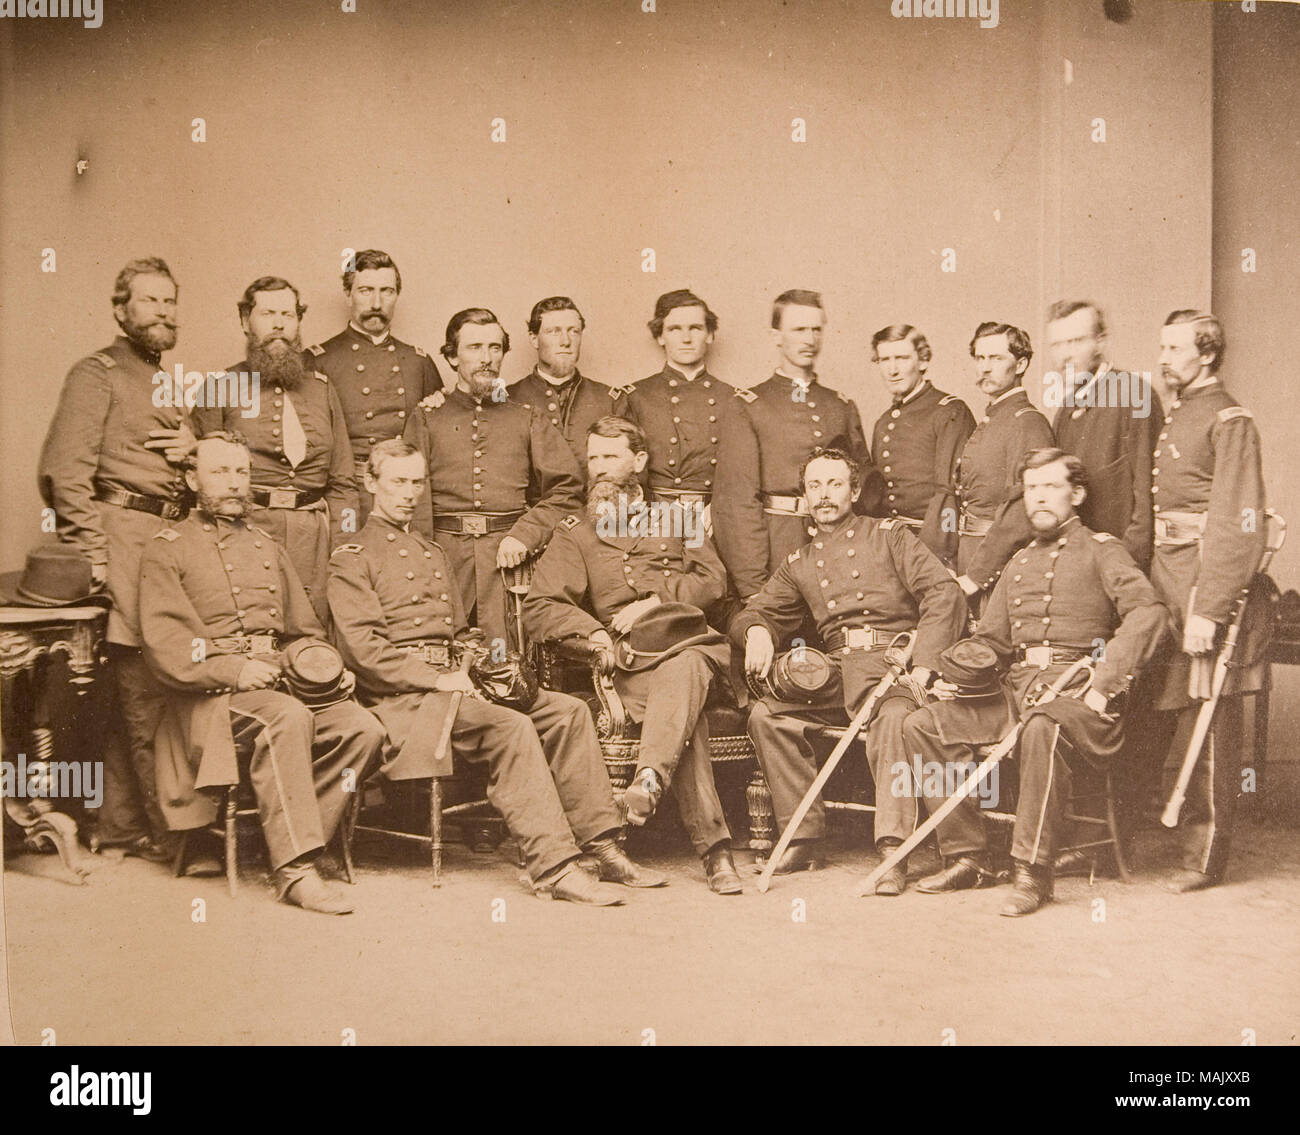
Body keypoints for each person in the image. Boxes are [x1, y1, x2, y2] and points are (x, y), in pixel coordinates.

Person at [327, 438, 662, 905]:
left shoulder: (432, 552)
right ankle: (554, 867)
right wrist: (439, 678)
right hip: (402, 703)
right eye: (397, 482)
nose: (409, 493)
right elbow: (363, 651)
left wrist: (487, 664)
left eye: (417, 483)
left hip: (458, 688)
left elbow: (462, 632)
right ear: (370, 483)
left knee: (564, 712)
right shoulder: (352, 556)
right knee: (510, 727)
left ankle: (601, 844)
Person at [901, 448, 1167, 916]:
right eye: (1031, 489)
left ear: (1077, 494)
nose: (1039, 498)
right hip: (1017, 692)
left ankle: (1032, 871)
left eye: (1050, 487)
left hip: (1081, 698)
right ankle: (968, 856)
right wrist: (950, 674)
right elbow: (992, 643)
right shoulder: (1019, 561)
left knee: (1044, 726)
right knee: (922, 723)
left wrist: (1104, 682)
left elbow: (1150, 613)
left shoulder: (1103, 551)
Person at [139, 433, 385, 914]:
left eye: (242, 472)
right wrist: (234, 669)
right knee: (286, 717)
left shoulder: (267, 544)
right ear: (191, 480)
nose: (235, 484)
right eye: (221, 472)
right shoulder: (168, 548)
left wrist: (325, 667)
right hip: (209, 699)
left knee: (363, 727)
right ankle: (294, 869)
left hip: (278, 683)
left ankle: (297, 832)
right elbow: (166, 648)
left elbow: (301, 630)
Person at [523, 417, 744, 895]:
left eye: (611, 456)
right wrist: (593, 633)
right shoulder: (576, 531)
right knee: (685, 713)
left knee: (683, 667)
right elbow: (540, 607)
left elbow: (713, 582)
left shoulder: (676, 517)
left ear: (639, 462)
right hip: (633, 660)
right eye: (594, 457)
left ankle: (652, 784)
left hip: (691, 642)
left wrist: (657, 599)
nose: (600, 467)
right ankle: (714, 851)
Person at [733, 447, 966, 894]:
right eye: (814, 486)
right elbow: (755, 610)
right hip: (837, 673)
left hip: (893, 665)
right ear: (804, 496)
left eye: (835, 484)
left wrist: (923, 669)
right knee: (768, 716)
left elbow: (944, 594)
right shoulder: (799, 562)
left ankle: (892, 849)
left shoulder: (889, 535)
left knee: (895, 719)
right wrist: (757, 632)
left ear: (854, 491)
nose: (824, 495)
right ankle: (803, 836)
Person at [37, 256, 193, 861]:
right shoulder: (95, 372)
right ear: (120, 309)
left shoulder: (167, 380)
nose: (161, 311)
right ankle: (160, 828)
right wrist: (94, 553)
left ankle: (125, 824)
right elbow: (63, 471)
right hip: (121, 541)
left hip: (163, 542)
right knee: (139, 685)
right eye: (149, 301)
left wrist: (194, 448)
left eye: (169, 301)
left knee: (150, 682)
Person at [1137, 311, 1266, 893]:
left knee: (1210, 716)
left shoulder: (1229, 418)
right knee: (1158, 702)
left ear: (1207, 355)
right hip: (1166, 577)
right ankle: (1150, 829)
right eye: (1161, 347)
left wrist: (1208, 609)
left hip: (1202, 582)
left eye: (1176, 348)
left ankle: (1203, 856)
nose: (1164, 357)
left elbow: (1239, 521)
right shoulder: (1180, 412)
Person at [403, 307, 582, 643]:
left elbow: (567, 491)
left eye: (495, 348)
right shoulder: (427, 417)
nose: (486, 358)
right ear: (452, 357)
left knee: (510, 665)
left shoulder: (527, 417)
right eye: (474, 348)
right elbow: (409, 498)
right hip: (444, 561)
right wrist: (424, 564)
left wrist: (525, 535)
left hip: (509, 564)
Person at [963, 300, 1160, 595]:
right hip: (1077, 565)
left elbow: (1146, 500)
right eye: (1057, 345)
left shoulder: (1133, 393)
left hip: (1118, 570)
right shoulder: (1067, 409)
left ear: (1100, 342)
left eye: (1076, 341)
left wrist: (1126, 573)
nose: (1065, 354)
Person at [193, 276, 358, 627]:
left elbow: (343, 482)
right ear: (244, 322)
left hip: (315, 539)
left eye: (289, 314)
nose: (279, 324)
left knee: (314, 642)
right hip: (247, 531)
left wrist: (342, 547)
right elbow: (205, 482)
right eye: (268, 313)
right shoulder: (219, 387)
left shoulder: (323, 390)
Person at [713, 290, 881, 604]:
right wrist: (753, 585)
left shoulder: (840, 405)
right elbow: (735, 502)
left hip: (839, 548)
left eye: (816, 329)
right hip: (779, 548)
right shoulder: (749, 406)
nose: (809, 339)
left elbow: (865, 494)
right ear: (776, 336)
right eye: (799, 329)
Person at [306, 249, 443, 523]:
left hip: (405, 496)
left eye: (387, 291)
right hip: (347, 495)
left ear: (396, 296)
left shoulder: (418, 362)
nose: (376, 302)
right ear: (348, 295)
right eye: (366, 290)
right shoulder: (318, 361)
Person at [952, 322, 1054, 593]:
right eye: (980, 358)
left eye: (996, 358)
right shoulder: (993, 417)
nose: (985, 367)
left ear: (1020, 365)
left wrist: (977, 575)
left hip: (1000, 563)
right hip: (971, 551)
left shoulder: (1027, 423)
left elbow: (1023, 508)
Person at [868, 323, 975, 567]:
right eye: (884, 360)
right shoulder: (884, 422)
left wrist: (931, 558)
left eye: (902, 358)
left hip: (931, 547)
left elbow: (950, 493)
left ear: (923, 361)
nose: (892, 370)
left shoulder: (949, 411)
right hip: (889, 545)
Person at [619, 289, 734, 509]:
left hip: (716, 516)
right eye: (675, 329)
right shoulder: (636, 397)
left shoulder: (732, 399)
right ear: (660, 336)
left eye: (695, 328)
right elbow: (623, 473)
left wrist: (719, 513)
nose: (686, 338)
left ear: (710, 334)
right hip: (653, 516)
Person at [510, 296, 625, 479]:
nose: (565, 341)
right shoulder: (509, 398)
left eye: (573, 331)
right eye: (554, 332)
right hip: (532, 508)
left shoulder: (610, 400)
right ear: (534, 339)